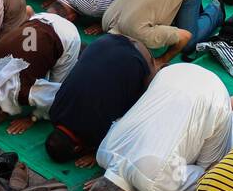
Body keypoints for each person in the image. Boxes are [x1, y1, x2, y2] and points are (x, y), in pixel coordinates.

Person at [84, 64, 233, 191]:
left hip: (213, 97)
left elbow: (200, 176)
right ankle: (229, 113)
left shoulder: (151, 181)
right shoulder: (102, 153)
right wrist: (109, 178)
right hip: (173, 73)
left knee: (211, 168)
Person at [44, 34, 155, 166]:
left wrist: (95, 153)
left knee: (148, 98)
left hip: (139, 55)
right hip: (106, 40)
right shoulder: (54, 112)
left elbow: (118, 142)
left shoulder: (96, 134)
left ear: (77, 148)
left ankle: (160, 69)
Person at [102, 0, 223, 68]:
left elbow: (185, 36)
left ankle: (216, 10)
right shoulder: (106, 21)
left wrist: (162, 60)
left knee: (188, 45)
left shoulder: (140, 34)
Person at [0, 13, 81, 133]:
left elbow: (56, 98)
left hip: (68, 37)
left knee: (60, 85)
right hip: (40, 18)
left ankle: (78, 58)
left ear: (2, 112)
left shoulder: (23, 92)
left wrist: (33, 118)